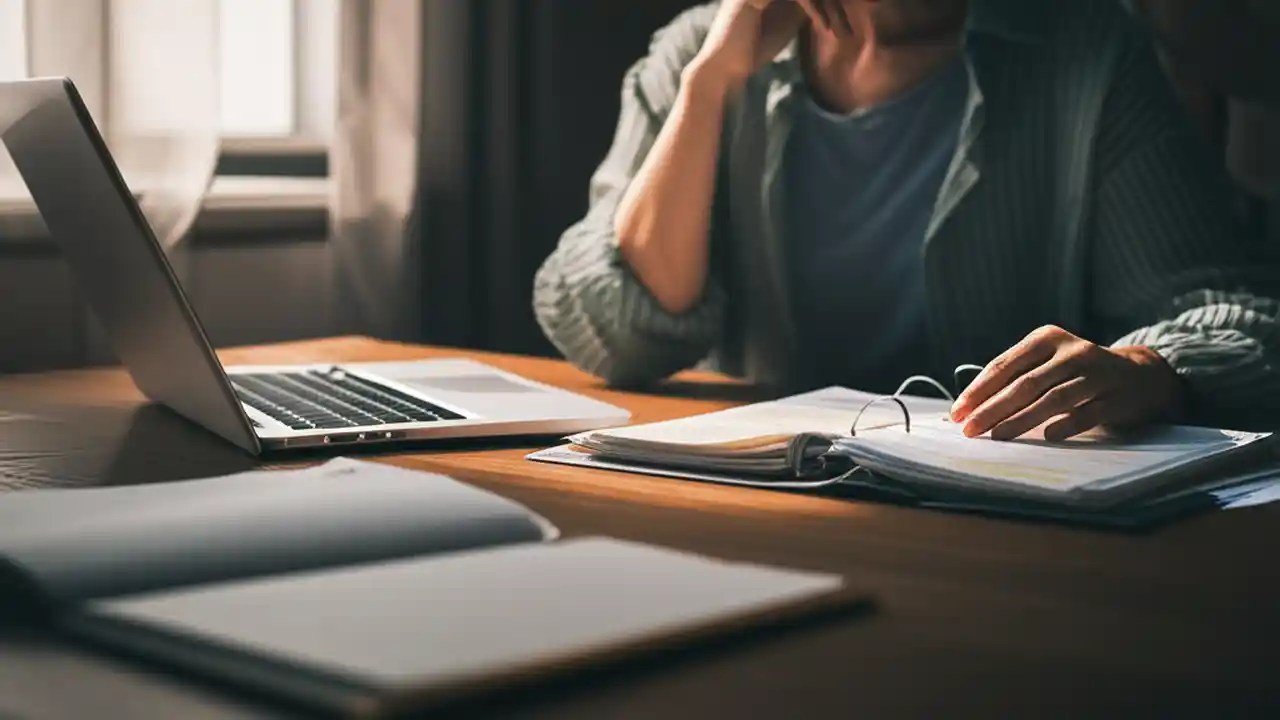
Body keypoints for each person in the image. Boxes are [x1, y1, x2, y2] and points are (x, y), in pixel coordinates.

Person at [533, 0, 1280, 440]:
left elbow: (1234, 316)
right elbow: (616, 330)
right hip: (756, 497)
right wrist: (711, 82)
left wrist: (1151, 369)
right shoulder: (708, 43)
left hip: (997, 525)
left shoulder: (1084, 51)